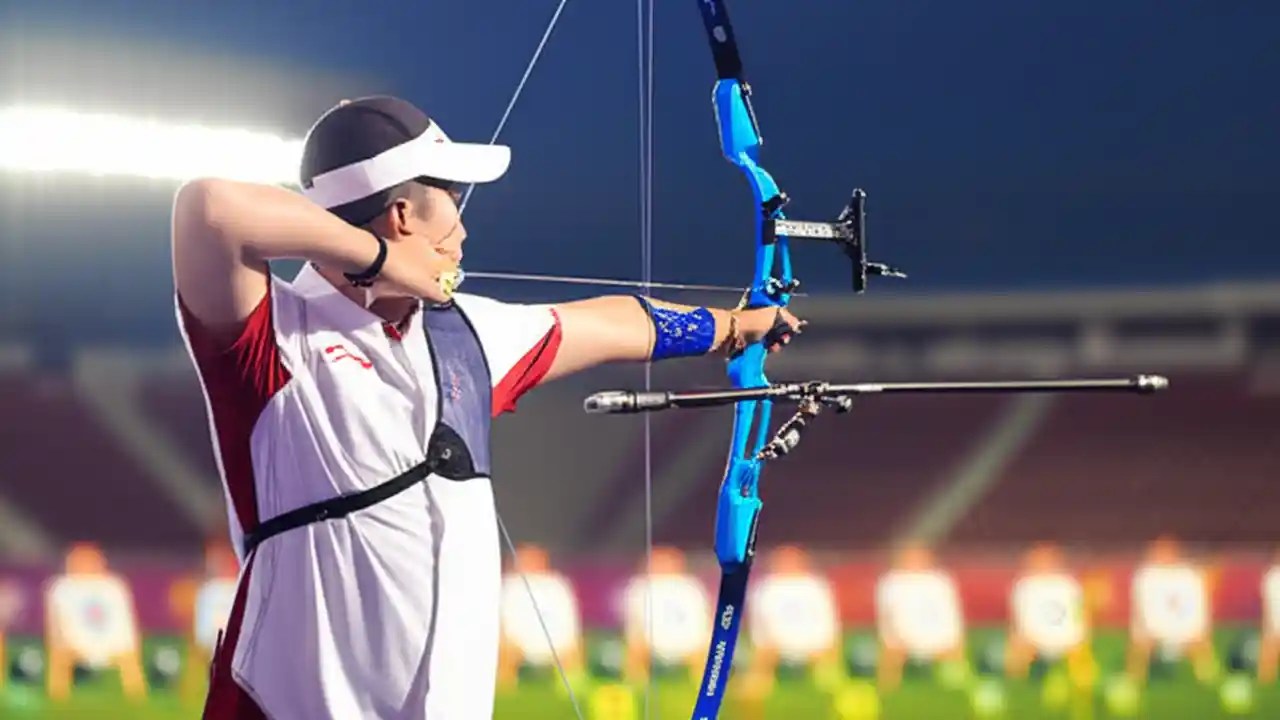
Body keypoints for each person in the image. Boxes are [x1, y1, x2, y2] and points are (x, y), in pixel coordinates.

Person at [171, 95, 803, 719]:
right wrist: (383, 262)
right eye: (452, 200)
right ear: (400, 214)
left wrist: (732, 327)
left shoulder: (465, 332)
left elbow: (613, 323)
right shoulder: (276, 333)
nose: (464, 228)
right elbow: (209, 208)